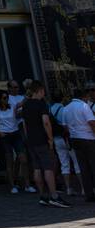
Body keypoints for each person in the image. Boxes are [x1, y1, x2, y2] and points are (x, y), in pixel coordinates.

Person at [21, 80, 67, 208]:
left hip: (31, 140)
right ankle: (54, 196)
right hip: (42, 140)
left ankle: (42, 196)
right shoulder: (41, 104)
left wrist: (28, 137)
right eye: (43, 91)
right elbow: (46, 122)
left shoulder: (25, 105)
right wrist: (50, 138)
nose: (44, 94)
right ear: (39, 90)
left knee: (36, 168)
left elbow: (24, 124)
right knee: (48, 168)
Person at [61, 85, 95, 201]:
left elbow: (64, 126)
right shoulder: (84, 106)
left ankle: (89, 194)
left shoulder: (66, 108)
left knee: (83, 167)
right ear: (83, 96)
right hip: (88, 138)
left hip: (75, 139)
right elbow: (92, 122)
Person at [0, 88, 27, 193]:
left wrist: (28, 92)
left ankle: (27, 184)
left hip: (15, 134)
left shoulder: (12, 107)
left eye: (7, 97)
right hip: (5, 136)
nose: (6, 99)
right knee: (9, 160)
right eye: (4, 98)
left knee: (23, 159)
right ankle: (12, 186)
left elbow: (21, 103)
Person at [50, 95, 83, 198]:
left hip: (56, 138)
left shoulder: (49, 109)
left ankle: (68, 188)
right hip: (66, 138)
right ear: (62, 99)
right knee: (76, 162)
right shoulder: (64, 109)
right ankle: (83, 188)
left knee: (64, 164)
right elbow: (66, 125)